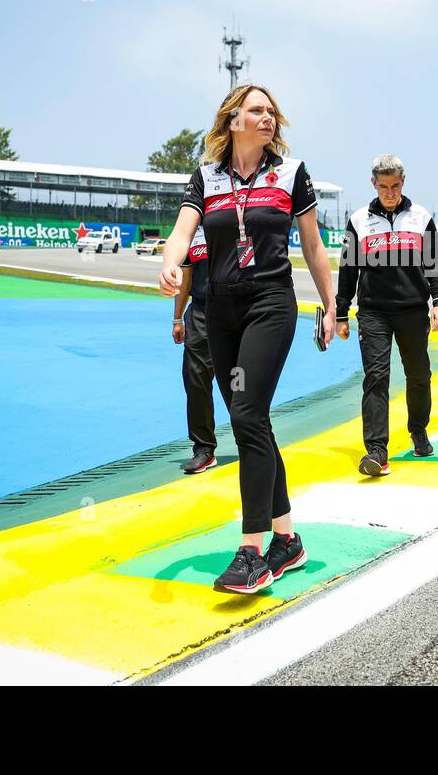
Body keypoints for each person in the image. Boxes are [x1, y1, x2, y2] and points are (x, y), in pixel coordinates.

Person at [160, 83, 336, 594]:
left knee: (245, 416)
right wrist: (170, 264)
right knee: (252, 421)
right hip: (219, 310)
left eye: (272, 112)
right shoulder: (207, 176)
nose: (268, 118)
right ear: (232, 120)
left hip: (270, 304)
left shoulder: (291, 173)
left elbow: (314, 246)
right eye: (256, 111)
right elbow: (182, 229)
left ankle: (252, 550)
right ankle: (288, 539)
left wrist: (330, 306)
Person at [335, 155, 438, 477]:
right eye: (383, 186)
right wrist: (341, 313)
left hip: (413, 310)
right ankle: (376, 451)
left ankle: (418, 430)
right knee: (376, 378)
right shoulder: (358, 220)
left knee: (419, 375)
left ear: (403, 181)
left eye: (395, 186)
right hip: (373, 312)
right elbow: (347, 270)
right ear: (373, 184)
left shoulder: (421, 217)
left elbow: (436, 267)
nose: (389, 193)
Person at [173, 225, 218, 473]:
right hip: (199, 313)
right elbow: (185, 277)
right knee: (196, 380)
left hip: (235, 311)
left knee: (241, 381)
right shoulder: (192, 232)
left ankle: (252, 442)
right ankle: (204, 448)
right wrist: (177, 318)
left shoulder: (239, 217)